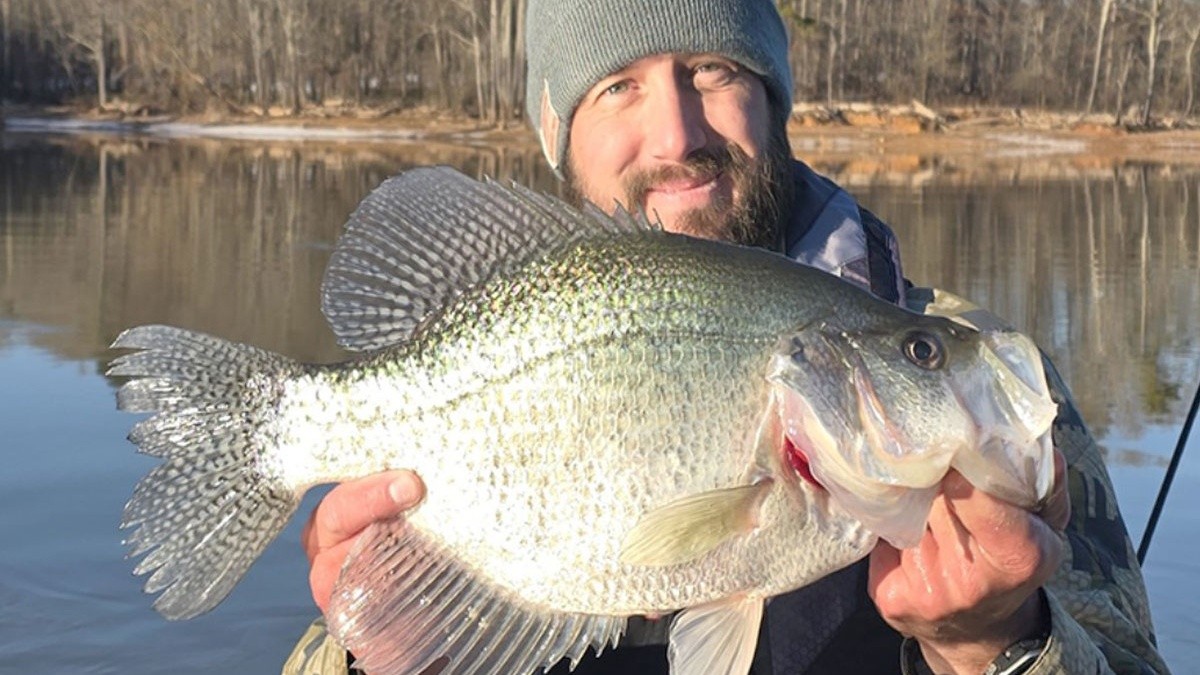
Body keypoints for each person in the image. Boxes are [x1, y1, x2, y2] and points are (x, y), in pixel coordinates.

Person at [286, 0, 1169, 673]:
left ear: (772, 95)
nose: (676, 133)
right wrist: (378, 652)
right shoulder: (503, 329)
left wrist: (996, 645)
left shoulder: (979, 376)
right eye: (616, 86)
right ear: (561, 138)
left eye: (712, 69)